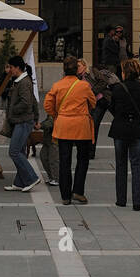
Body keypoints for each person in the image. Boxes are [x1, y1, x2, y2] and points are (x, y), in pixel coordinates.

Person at [45, 55, 97, 206]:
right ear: (77, 70)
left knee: (64, 160)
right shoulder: (84, 86)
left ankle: (65, 195)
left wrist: (57, 115)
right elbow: (93, 103)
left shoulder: (57, 85)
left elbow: (47, 105)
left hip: (63, 125)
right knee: (82, 159)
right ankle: (78, 191)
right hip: (81, 126)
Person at [108, 58, 140, 210]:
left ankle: (121, 199)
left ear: (124, 72)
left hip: (120, 128)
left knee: (121, 164)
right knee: (137, 165)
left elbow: (112, 107)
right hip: (137, 128)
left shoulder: (118, 88)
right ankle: (138, 202)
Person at [1, 55, 41, 191]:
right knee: (21, 152)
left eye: (11, 67)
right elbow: (33, 101)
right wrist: (36, 117)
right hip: (24, 120)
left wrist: (12, 111)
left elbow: (26, 102)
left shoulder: (23, 82)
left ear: (17, 67)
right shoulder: (22, 80)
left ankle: (32, 177)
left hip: (23, 121)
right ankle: (19, 182)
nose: (10, 70)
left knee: (14, 151)